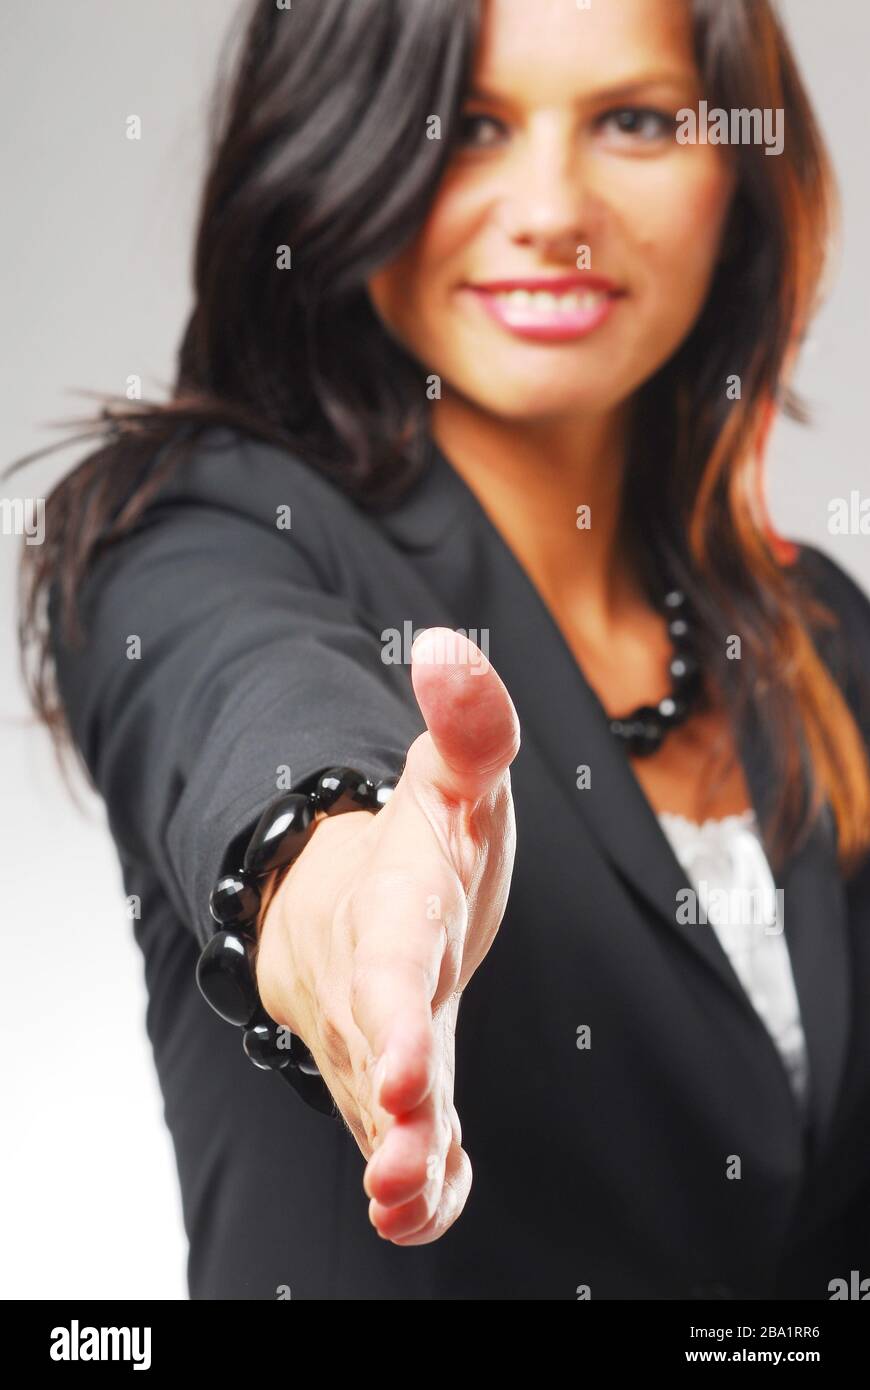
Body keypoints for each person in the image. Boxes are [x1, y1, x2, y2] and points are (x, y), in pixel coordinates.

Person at [14, 0, 870, 1299]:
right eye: (465, 126)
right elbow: (244, 708)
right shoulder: (199, 533)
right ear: (341, 145)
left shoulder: (819, 633)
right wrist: (343, 897)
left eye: (633, 120)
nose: (550, 209)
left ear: (739, 167)